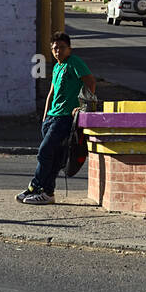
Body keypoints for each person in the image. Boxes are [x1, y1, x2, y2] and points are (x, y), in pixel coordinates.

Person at [18, 31, 96, 206]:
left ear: (69, 49)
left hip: (65, 118)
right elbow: (51, 93)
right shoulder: (57, 67)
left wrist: (84, 106)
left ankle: (35, 186)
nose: (58, 51)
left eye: (62, 48)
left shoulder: (74, 62)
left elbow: (90, 81)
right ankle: (48, 193)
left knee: (45, 152)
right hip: (52, 117)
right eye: (55, 48)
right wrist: (45, 116)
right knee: (53, 156)